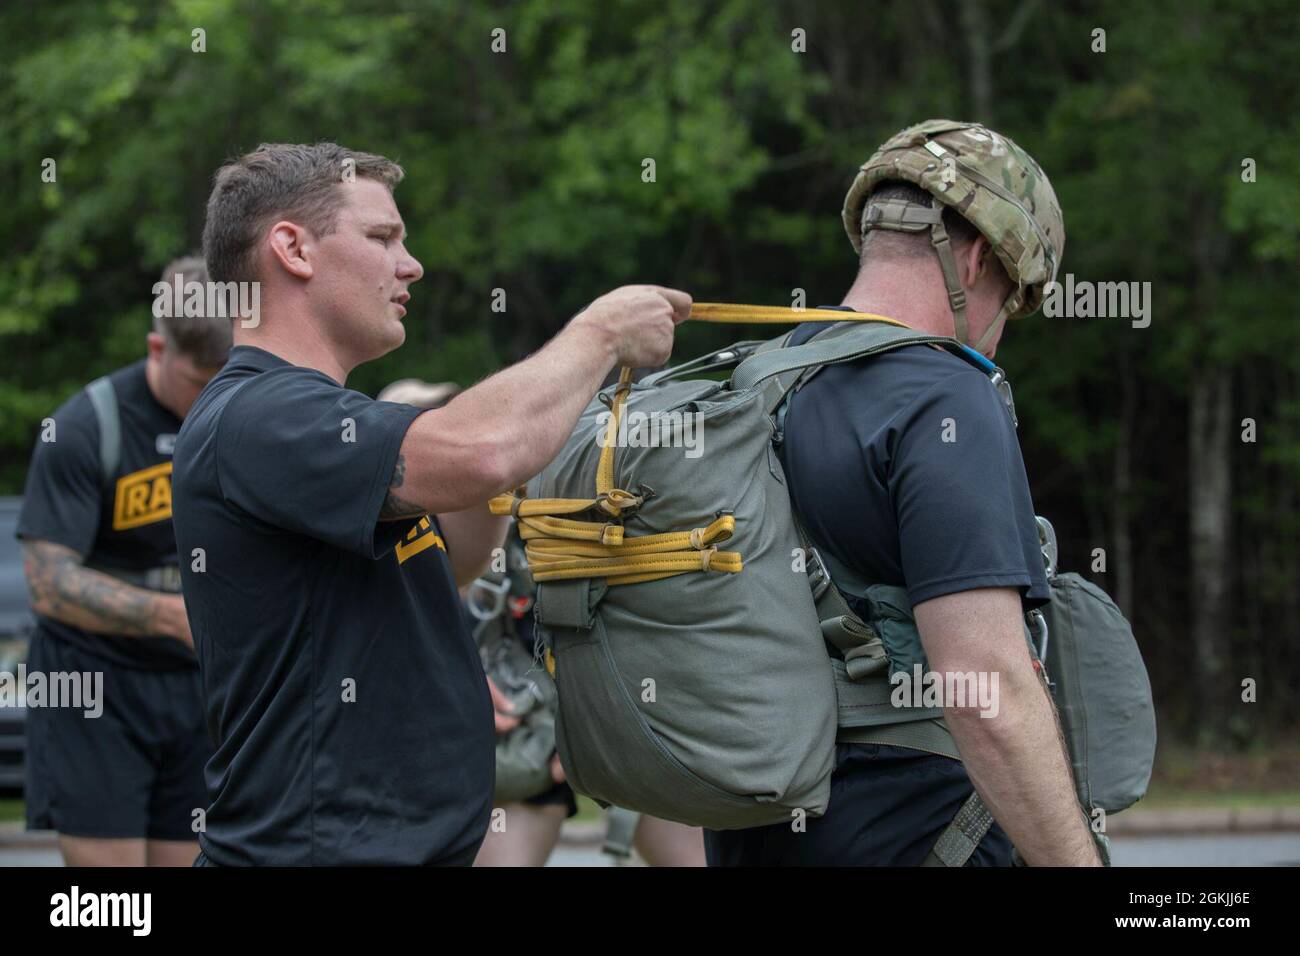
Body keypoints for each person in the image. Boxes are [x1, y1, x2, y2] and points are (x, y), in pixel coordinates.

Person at [172, 142, 690, 866]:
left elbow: (455, 558)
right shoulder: (260, 414)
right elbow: (481, 452)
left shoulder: (317, 419)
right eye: (383, 237)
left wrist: (494, 466)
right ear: (292, 248)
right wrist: (598, 334)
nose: (409, 264)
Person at [703, 120, 1101, 866]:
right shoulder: (945, 398)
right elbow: (989, 693)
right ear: (981, 255)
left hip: (754, 840)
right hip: (923, 837)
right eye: (1012, 302)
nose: (1000, 330)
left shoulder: (754, 383)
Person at [17, 255, 231, 866]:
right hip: (93, 688)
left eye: (225, 380)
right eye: (198, 384)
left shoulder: (240, 422)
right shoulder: (86, 427)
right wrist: (173, 617)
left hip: (196, 692)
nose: (208, 402)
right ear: (156, 348)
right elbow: (48, 585)